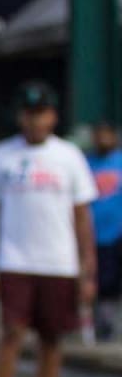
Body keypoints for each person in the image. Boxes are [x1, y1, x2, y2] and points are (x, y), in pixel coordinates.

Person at [0, 81, 96, 377]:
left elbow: (81, 217)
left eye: (41, 114)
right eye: (28, 114)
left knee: (52, 338)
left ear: (53, 116)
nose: (35, 121)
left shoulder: (69, 157)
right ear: (19, 117)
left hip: (58, 261)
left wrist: (87, 267)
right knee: (11, 333)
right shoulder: (1, 157)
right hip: (15, 260)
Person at [86, 121, 122, 339]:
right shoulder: (86, 163)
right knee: (99, 280)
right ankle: (101, 323)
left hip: (117, 232)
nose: (102, 140)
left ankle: (109, 320)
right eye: (98, 135)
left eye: (106, 135)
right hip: (93, 234)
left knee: (114, 280)